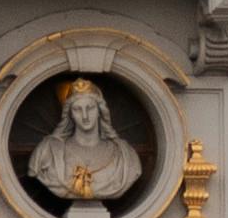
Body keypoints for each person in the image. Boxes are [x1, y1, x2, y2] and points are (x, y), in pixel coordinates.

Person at [24, 77, 144, 209]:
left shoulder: (125, 155)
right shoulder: (48, 152)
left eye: (90, 108)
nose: (85, 116)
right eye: (77, 109)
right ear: (70, 115)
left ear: (100, 111)